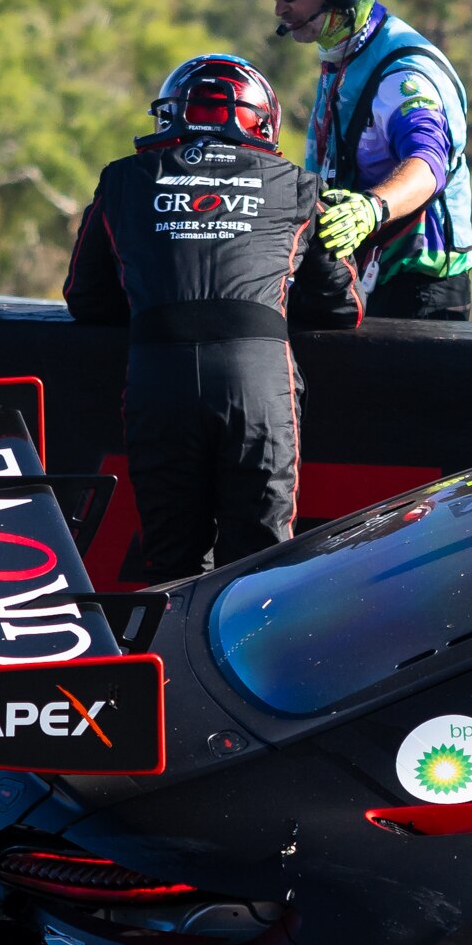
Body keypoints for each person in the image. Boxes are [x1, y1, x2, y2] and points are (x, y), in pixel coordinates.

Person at [64, 52, 363, 583]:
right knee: (265, 561)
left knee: (170, 566)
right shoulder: (298, 184)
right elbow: (342, 308)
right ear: (260, 120)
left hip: (158, 379)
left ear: (174, 113)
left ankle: (169, 665)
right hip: (257, 382)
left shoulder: (122, 180)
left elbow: (86, 299)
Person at [242, 0, 472, 322]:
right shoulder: (343, 57)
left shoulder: (402, 74)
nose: (279, 9)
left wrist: (371, 209)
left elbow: (429, 165)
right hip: (370, 277)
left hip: (419, 287)